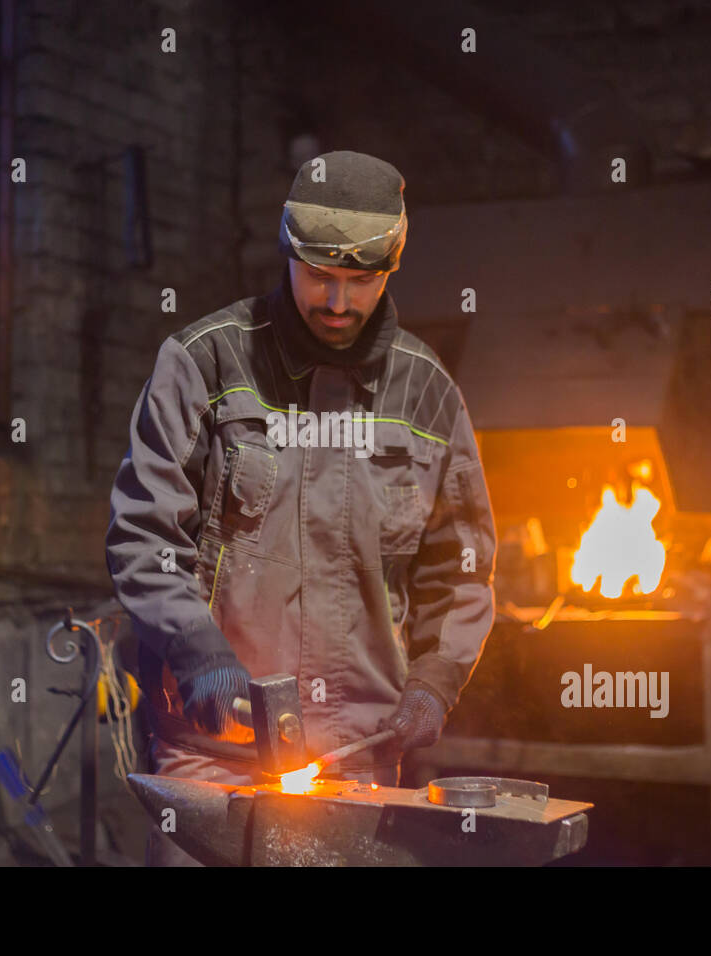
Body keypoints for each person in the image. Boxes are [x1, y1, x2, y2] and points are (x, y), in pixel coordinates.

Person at [105, 150, 496, 865]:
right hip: (214, 756)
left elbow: (461, 567)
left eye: (359, 281)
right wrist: (201, 657)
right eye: (319, 276)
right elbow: (143, 537)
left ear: (392, 268)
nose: (337, 302)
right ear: (286, 252)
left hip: (359, 759)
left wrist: (435, 683)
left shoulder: (428, 393)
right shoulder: (206, 365)